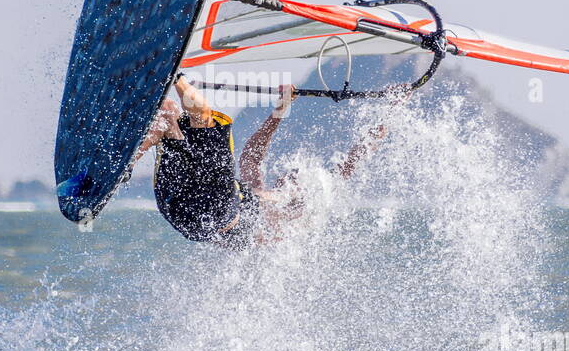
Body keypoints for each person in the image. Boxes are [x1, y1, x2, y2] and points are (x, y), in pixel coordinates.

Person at [134, 75, 389, 248]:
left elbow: (348, 167)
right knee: (167, 112)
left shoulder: (287, 220)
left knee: (200, 115)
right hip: (181, 206)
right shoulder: (263, 199)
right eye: (291, 174)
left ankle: (175, 76)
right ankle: (125, 163)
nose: (288, 176)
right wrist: (281, 109)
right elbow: (253, 156)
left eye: (295, 177)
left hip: (213, 213)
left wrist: (382, 125)